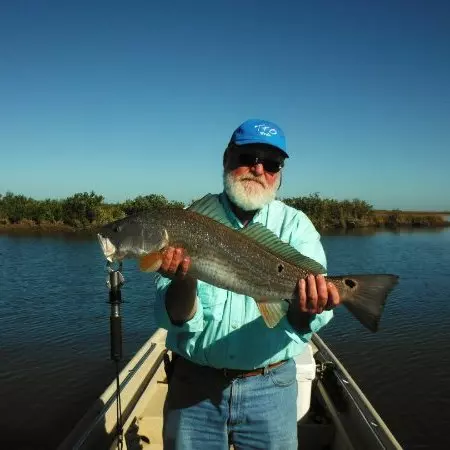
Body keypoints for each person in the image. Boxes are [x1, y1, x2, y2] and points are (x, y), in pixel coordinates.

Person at [154, 119, 340, 450]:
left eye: (271, 164)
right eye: (247, 157)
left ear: (280, 173)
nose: (258, 168)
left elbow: (302, 325)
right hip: (194, 385)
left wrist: (305, 307)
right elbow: (176, 317)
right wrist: (184, 279)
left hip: (271, 389)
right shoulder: (185, 221)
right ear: (227, 158)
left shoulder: (297, 226)